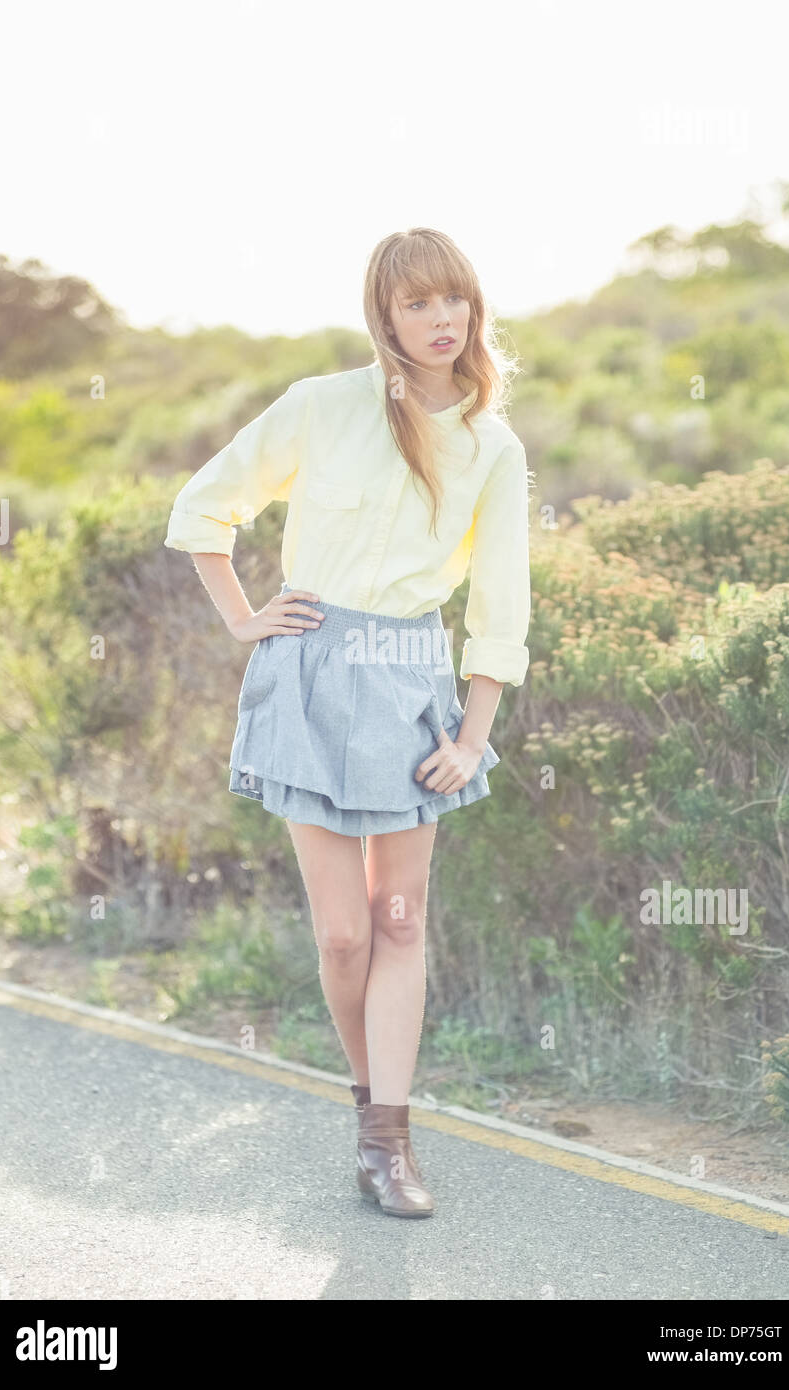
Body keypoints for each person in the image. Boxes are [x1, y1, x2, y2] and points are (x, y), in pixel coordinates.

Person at [164, 227, 532, 1218]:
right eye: (416, 303)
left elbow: (500, 603)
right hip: (311, 669)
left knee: (398, 918)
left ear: (473, 307)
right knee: (339, 937)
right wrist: (245, 618)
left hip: (410, 676)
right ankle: (370, 1102)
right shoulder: (321, 406)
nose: (439, 319)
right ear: (385, 314)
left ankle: (387, 1142)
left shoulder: (490, 444)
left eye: (452, 298)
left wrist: (471, 732)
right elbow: (204, 508)